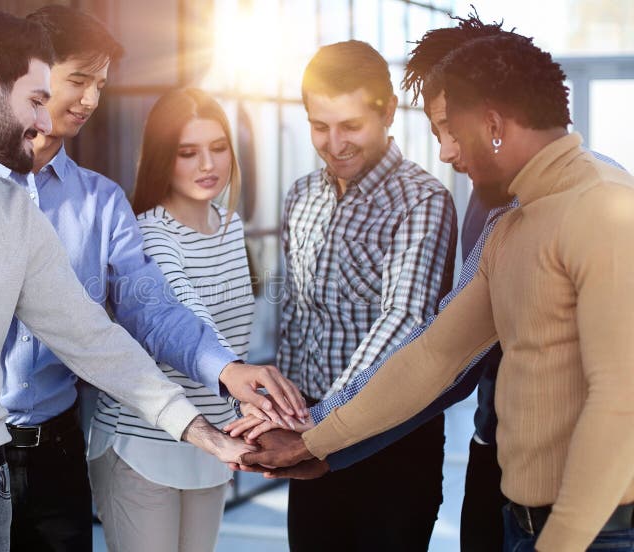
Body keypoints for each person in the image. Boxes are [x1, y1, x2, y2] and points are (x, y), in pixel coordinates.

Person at [0, 11, 255, 552]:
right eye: (40, 97)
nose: (49, 117)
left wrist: (201, 429)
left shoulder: (18, 212)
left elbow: (92, 337)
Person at [241, 32, 634, 552]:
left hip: (598, 534)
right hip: (523, 522)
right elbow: (434, 355)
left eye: (450, 132)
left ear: (492, 126)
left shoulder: (606, 209)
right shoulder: (509, 226)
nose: (445, 153)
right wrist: (313, 440)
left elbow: (622, 398)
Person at [0, 7, 304, 551]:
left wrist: (227, 369)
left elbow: (153, 309)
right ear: (32, 76)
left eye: (100, 84)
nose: (91, 100)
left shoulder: (102, 202)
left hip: (55, 450)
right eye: (78, 80)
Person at [276, 39, 457, 551]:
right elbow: (295, 317)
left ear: (388, 112)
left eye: (350, 125)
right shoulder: (301, 195)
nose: (334, 144)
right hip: (310, 437)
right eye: (319, 126)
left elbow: (403, 321)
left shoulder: (423, 201)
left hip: (391, 443)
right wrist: (288, 416)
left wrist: (322, 424)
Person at [87, 87, 254, 552]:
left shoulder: (230, 225)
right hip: (143, 443)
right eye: (189, 152)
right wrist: (242, 381)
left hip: (213, 442)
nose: (208, 165)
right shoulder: (149, 232)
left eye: (218, 148)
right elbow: (183, 317)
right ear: (164, 157)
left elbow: (236, 331)